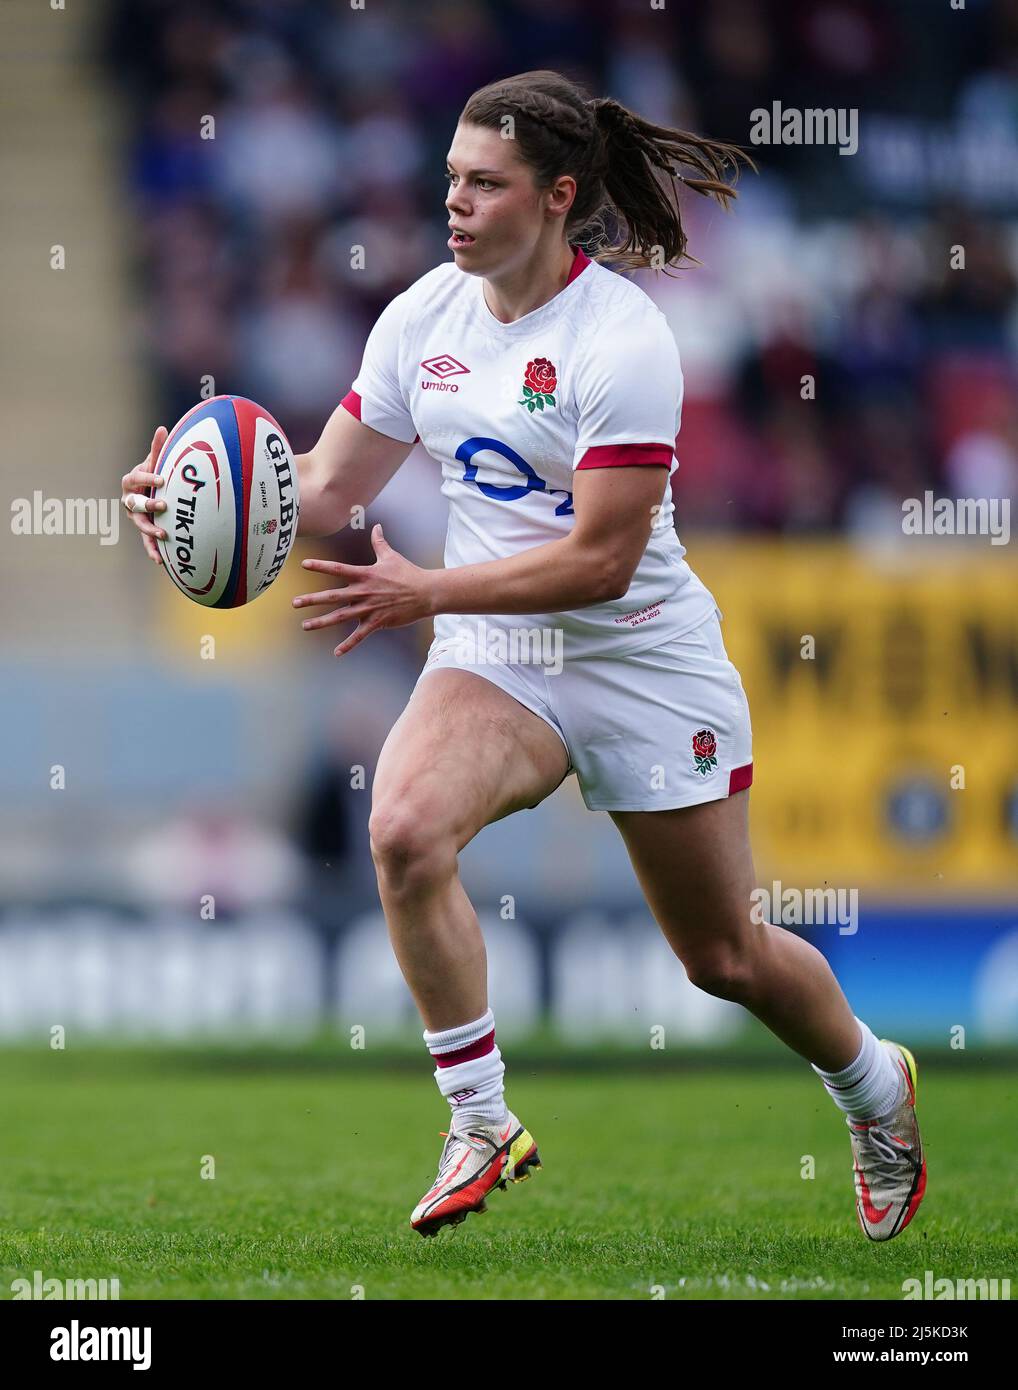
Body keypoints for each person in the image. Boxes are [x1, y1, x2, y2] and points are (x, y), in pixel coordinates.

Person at [122, 70, 926, 1242]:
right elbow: (326, 486)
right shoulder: (422, 318)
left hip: (640, 657)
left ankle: (872, 1085)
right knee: (401, 827)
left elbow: (602, 561)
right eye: (449, 178)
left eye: (482, 184)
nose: (453, 203)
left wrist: (425, 589)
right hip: (497, 647)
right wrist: (195, 508)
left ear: (556, 198)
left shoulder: (622, 338)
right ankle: (481, 1118)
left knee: (721, 956)